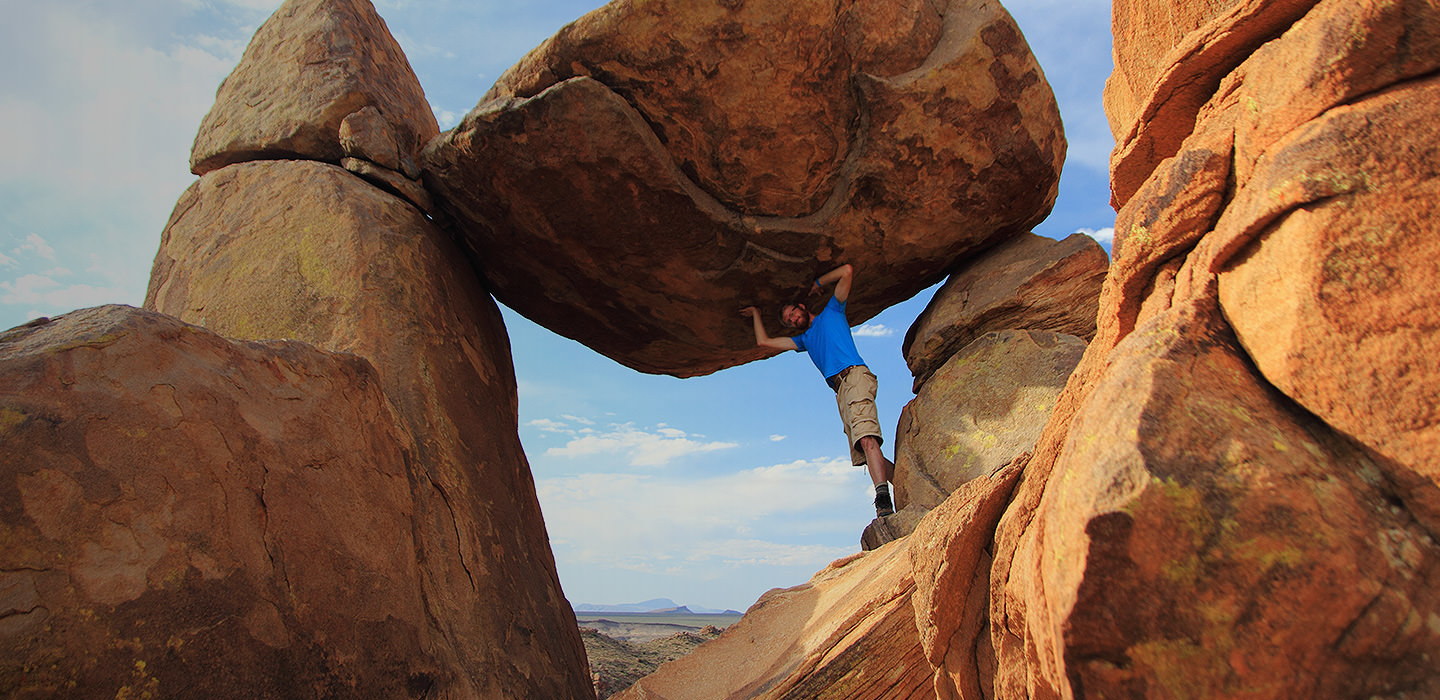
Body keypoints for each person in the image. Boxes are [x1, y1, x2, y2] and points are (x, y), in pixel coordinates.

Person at [740, 263, 897, 517]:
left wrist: (818, 283)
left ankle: (883, 504)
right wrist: (757, 313)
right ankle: (904, 481)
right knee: (864, 450)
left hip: (854, 375)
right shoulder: (804, 341)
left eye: (792, 312)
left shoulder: (832, 312)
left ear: (802, 307)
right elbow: (764, 341)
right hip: (840, 390)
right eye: (788, 320)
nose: (792, 319)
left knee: (867, 438)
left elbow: (847, 270)